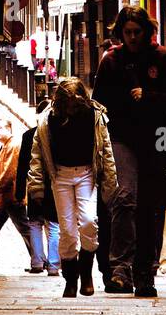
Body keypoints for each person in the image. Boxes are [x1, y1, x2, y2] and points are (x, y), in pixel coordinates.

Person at [93, 7, 166, 297]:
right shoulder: (111, 62)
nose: (132, 37)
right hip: (121, 138)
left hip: (157, 137)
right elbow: (98, 105)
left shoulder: (164, 59)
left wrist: (150, 97)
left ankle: (145, 272)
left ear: (147, 32)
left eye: (137, 32)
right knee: (124, 198)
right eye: (127, 32)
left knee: (151, 204)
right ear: (120, 33)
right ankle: (120, 270)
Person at [27, 77, 117, 297]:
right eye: (67, 104)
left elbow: (106, 150)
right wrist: (36, 184)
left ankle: (86, 273)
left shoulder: (94, 116)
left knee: (89, 221)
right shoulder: (48, 119)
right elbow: (37, 154)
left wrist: (110, 182)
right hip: (60, 175)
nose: (71, 109)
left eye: (75, 104)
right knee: (67, 230)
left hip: (87, 173)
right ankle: (70, 279)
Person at [15, 98, 60, 275]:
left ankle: (37, 262)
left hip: (34, 184)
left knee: (35, 223)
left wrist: (19, 192)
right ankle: (54, 265)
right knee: (53, 225)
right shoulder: (56, 134)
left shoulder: (28, 135)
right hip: (53, 185)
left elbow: (22, 167)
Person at [0, 118, 34, 264]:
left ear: (9, 129)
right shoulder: (6, 146)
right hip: (5, 198)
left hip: (11, 197)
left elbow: (8, 173)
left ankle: (40, 259)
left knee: (24, 229)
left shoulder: (13, 146)